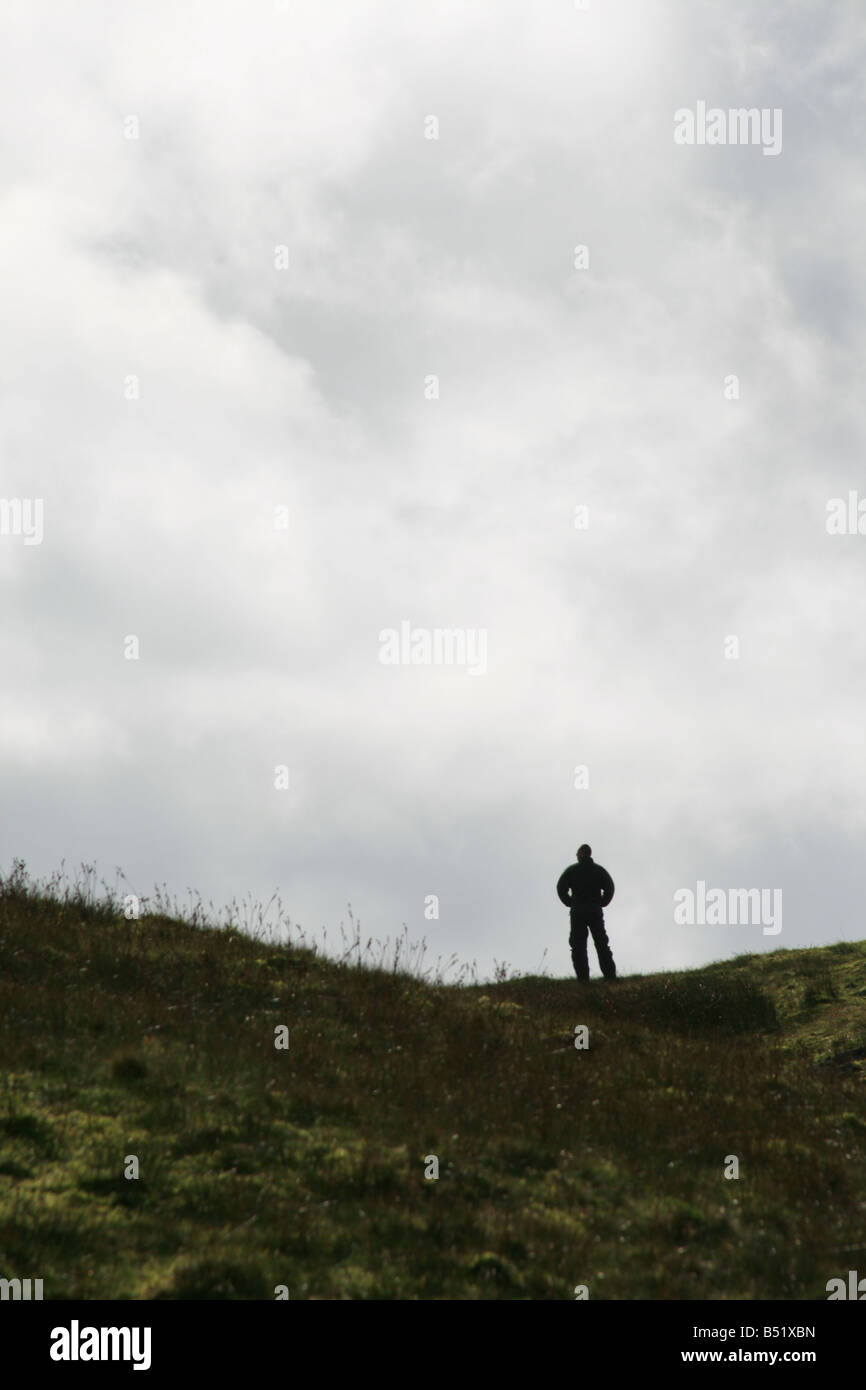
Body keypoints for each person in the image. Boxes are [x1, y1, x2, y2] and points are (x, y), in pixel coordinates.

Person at [556, 844, 617, 981]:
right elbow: (609, 888)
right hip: (595, 911)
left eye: (577, 853)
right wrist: (602, 902)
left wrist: (569, 902)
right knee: (601, 943)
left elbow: (560, 888)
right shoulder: (599, 870)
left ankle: (583, 979)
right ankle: (610, 976)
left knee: (578, 946)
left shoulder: (572, 870)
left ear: (581, 854)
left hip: (577, 913)